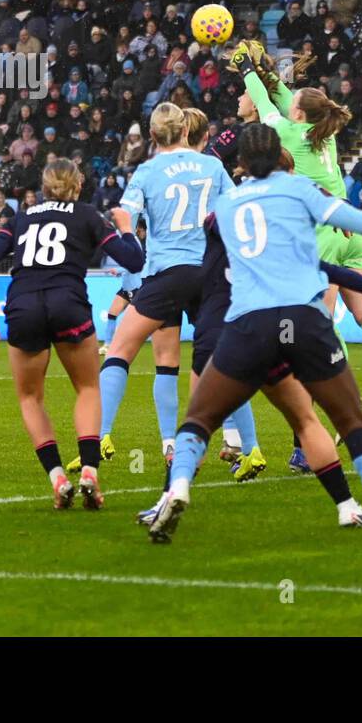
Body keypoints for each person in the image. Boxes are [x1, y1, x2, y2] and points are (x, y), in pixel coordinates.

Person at [148, 123, 362, 546]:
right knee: (350, 421)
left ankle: (179, 487)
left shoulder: (224, 208)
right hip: (304, 320)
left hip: (248, 326)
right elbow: (359, 225)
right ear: (281, 154)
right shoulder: (300, 193)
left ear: (239, 163)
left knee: (199, 419)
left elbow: (211, 270)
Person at [231, 40, 362, 458]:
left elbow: (264, 101)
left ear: (298, 112)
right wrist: (267, 71)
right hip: (349, 227)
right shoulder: (321, 135)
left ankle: (343, 404)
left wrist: (246, 69)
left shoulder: (288, 131)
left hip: (321, 230)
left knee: (321, 326)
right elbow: (279, 95)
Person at [0, 159, 145, 509]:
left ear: (44, 185)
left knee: (30, 398)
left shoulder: (21, 218)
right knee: (86, 388)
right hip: (68, 303)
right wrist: (126, 228)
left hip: (23, 306)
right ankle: (89, 472)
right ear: (78, 185)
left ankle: (56, 477)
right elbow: (134, 261)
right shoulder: (86, 215)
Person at [92, 103, 231, 473]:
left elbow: (126, 217)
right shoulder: (214, 167)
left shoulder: (147, 170)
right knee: (216, 359)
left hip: (167, 272)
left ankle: (101, 434)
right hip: (210, 272)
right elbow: (236, 211)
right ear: (186, 130)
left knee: (123, 349)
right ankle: (231, 444)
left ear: (152, 137)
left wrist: (125, 239)